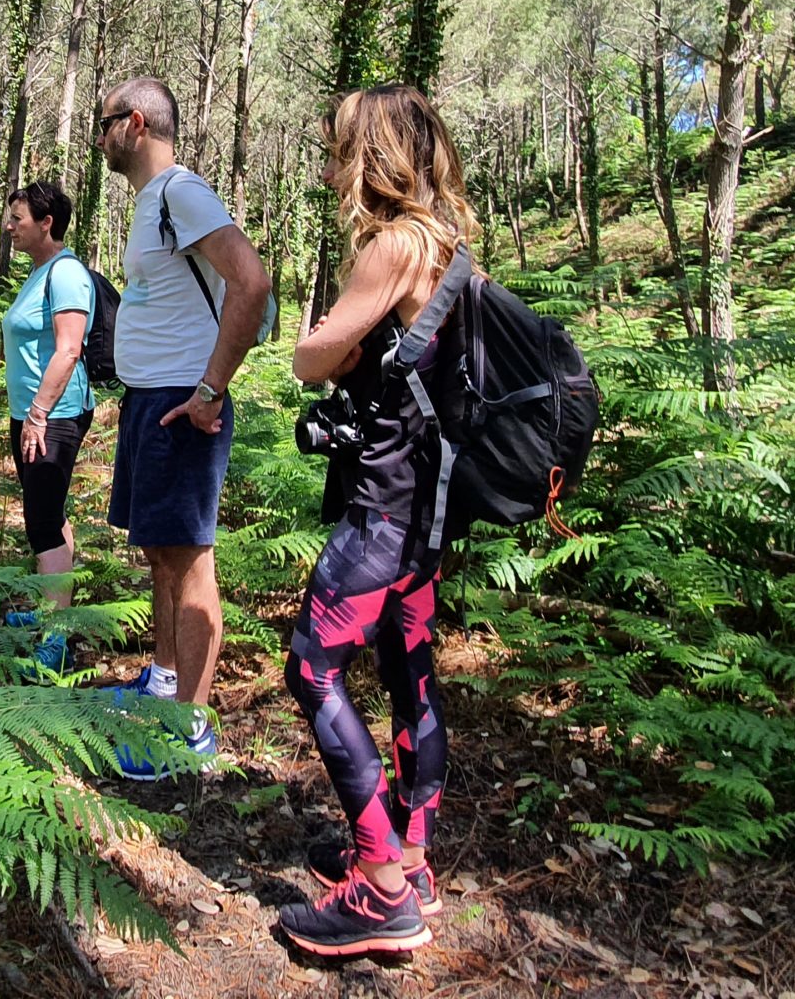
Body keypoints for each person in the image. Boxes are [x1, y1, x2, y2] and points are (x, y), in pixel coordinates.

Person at [273, 84, 474, 957]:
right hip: (429, 505)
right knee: (409, 672)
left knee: (312, 668)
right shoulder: (450, 245)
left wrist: (324, 341)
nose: (330, 163)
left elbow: (309, 359)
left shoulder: (393, 244)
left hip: (384, 507)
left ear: (375, 153)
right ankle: (414, 858)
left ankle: (380, 884)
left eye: (340, 146)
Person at [91, 76, 271, 778]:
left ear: (135, 124)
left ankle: (188, 732)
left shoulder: (181, 193)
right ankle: (164, 683)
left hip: (181, 405)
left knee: (191, 561)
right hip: (152, 401)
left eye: (104, 123)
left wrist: (209, 391)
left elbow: (249, 283)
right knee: (163, 556)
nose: (98, 137)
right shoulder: (150, 204)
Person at [0, 181, 94, 674]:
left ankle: (55, 641)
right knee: (51, 513)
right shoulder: (39, 272)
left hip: (53, 416)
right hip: (33, 413)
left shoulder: (67, 273)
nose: (9, 227)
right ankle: (51, 613)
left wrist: (37, 415)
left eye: (18, 218)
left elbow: (68, 349)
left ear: (46, 223)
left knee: (40, 523)